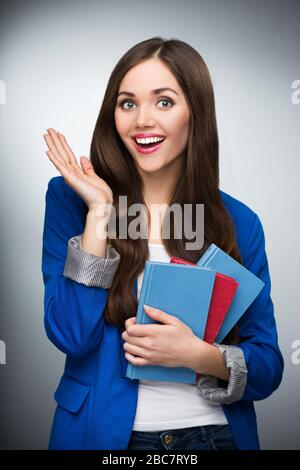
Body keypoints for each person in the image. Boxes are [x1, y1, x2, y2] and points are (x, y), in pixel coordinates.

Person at [41, 37, 284, 451]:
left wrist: (198, 356)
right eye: (128, 103)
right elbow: (70, 335)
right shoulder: (72, 199)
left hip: (214, 437)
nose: (142, 121)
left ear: (196, 113)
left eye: (164, 102)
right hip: (104, 437)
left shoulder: (240, 222)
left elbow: (268, 366)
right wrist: (100, 213)